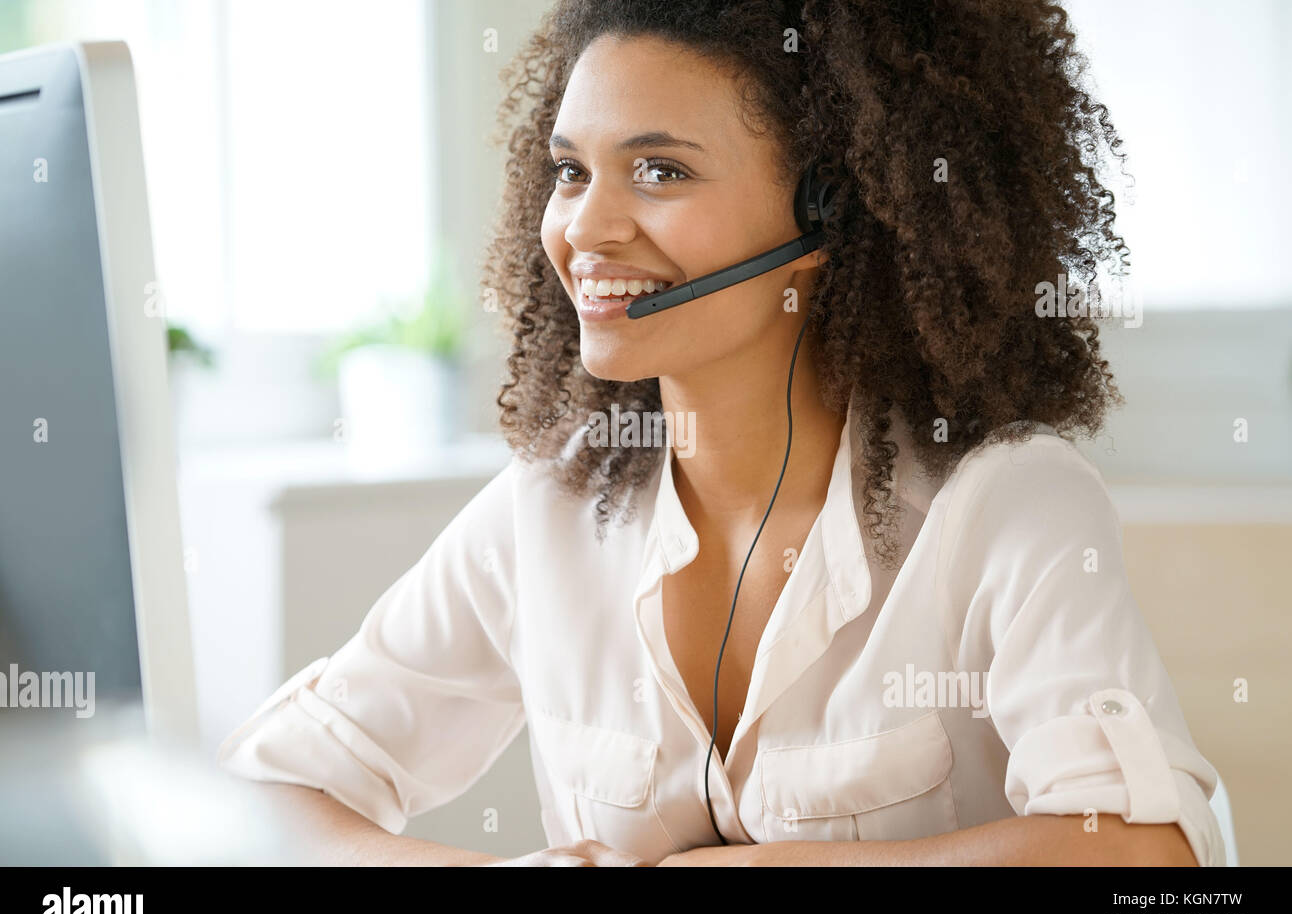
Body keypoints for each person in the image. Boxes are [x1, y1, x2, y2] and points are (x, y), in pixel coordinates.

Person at [217, 0, 1224, 866]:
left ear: (831, 214)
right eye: (571, 171)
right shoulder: (550, 510)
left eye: (659, 171)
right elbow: (262, 800)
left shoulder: (1004, 504)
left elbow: (1151, 863)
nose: (586, 228)